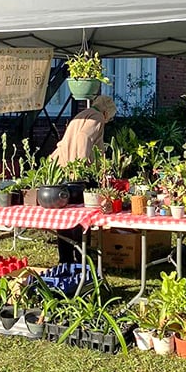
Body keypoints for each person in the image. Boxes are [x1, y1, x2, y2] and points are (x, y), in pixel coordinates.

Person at [50, 95, 117, 263]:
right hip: (77, 175)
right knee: (81, 216)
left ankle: (65, 258)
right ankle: (80, 257)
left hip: (62, 170)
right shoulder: (97, 118)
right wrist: (82, 165)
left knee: (65, 216)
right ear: (106, 111)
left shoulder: (83, 114)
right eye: (110, 115)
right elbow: (83, 138)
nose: (109, 119)